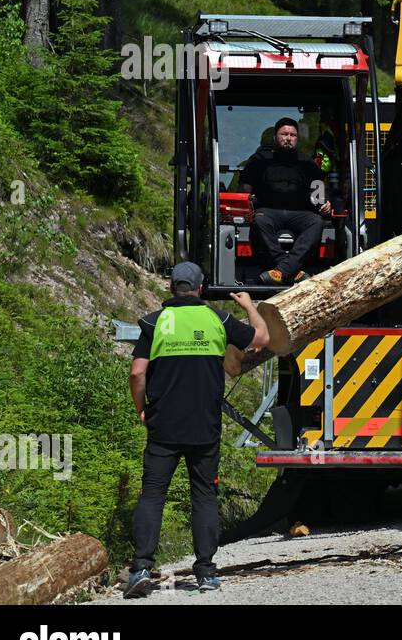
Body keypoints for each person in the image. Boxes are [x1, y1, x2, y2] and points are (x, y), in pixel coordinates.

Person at [124, 262, 269, 598]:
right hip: (204, 427)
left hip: (163, 427)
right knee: (204, 496)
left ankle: (142, 568)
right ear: (200, 288)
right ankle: (205, 572)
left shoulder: (155, 321)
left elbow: (136, 373)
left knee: (153, 495)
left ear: (172, 287)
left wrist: (141, 409)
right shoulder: (217, 318)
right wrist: (248, 305)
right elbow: (261, 337)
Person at [237, 117, 335, 285]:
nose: (288, 138)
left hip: (300, 212)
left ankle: (281, 271)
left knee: (316, 222)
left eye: (292, 135)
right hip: (268, 211)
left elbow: (319, 191)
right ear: (276, 137)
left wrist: (325, 203)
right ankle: (292, 271)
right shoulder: (259, 160)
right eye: (284, 134)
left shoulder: (307, 163)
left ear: (297, 138)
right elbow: (244, 190)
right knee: (259, 221)